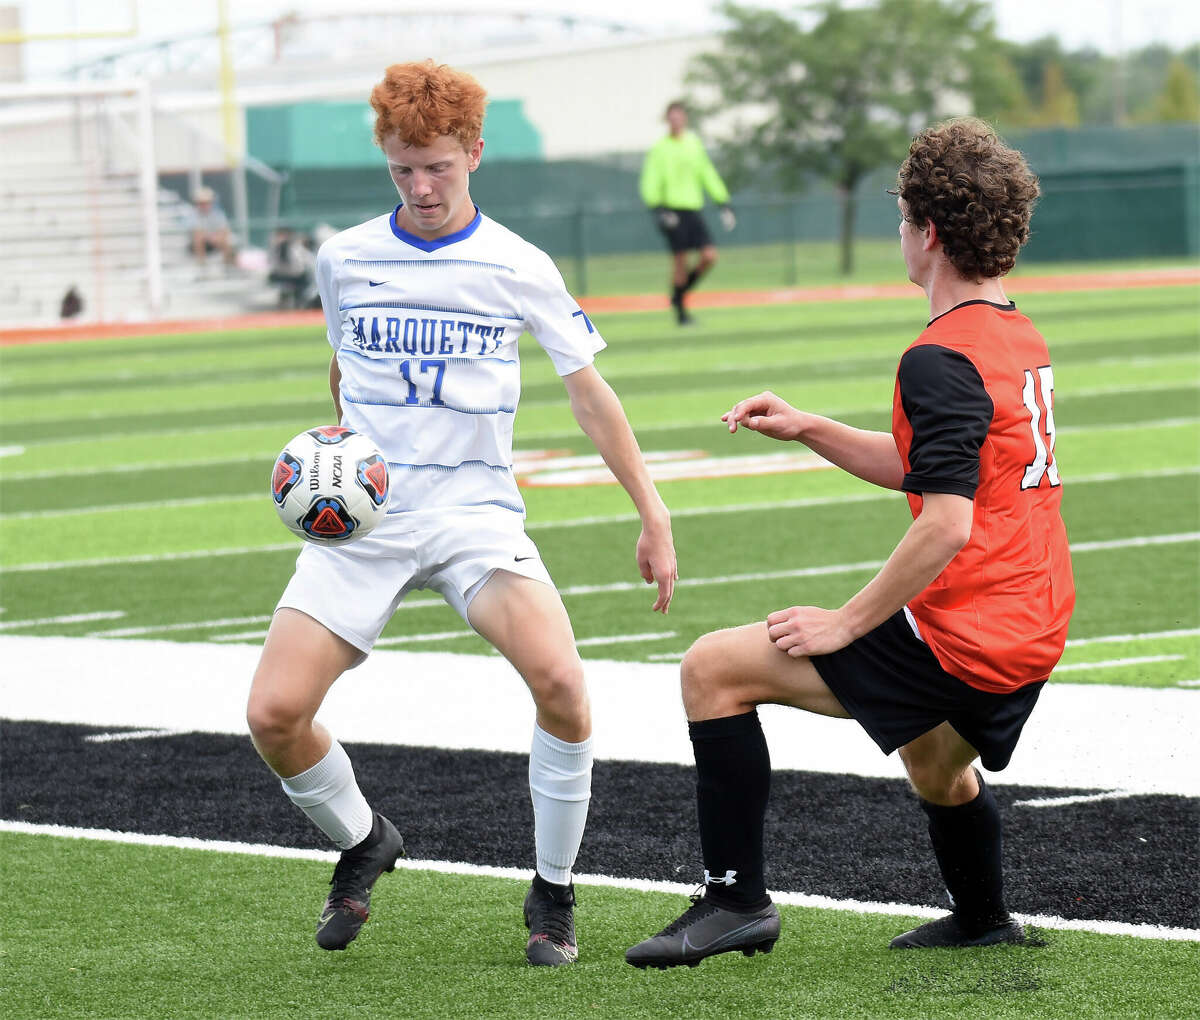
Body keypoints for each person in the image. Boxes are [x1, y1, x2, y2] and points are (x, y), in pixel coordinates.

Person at [246, 60, 677, 967]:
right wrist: (335, 458)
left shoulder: (518, 264)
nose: (421, 187)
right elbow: (342, 366)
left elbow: (591, 395)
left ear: (474, 153)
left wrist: (652, 510)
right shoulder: (346, 256)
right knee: (274, 714)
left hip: (475, 514)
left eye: (438, 166)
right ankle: (364, 840)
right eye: (403, 169)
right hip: (364, 524)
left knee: (561, 684)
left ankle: (554, 892)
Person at [625, 118, 1075, 969]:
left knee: (711, 669)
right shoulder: (1015, 333)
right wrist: (810, 427)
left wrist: (846, 621)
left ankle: (734, 902)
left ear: (929, 233)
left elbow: (946, 521)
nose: (899, 235)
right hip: (1035, 617)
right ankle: (982, 918)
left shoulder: (937, 356)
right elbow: (932, 466)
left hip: (971, 629)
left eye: (904, 220)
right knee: (934, 758)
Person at [638, 100, 735, 326]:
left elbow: (707, 173)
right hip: (672, 210)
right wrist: (657, 208)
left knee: (709, 256)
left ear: (685, 119)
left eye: (679, 116)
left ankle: (677, 295)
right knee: (680, 260)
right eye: (671, 117)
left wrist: (723, 201)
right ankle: (681, 313)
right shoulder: (660, 148)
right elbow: (650, 180)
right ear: (667, 120)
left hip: (693, 208)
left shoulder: (693, 144)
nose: (675, 120)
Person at [183, 186, 236, 267]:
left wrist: (216, 237)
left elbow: (224, 230)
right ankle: (202, 265)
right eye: (201, 203)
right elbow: (196, 233)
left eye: (206, 202)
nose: (204, 205)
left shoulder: (218, 214)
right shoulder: (192, 215)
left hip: (214, 242)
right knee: (199, 239)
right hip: (195, 245)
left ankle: (228, 265)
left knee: (225, 241)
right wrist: (211, 237)